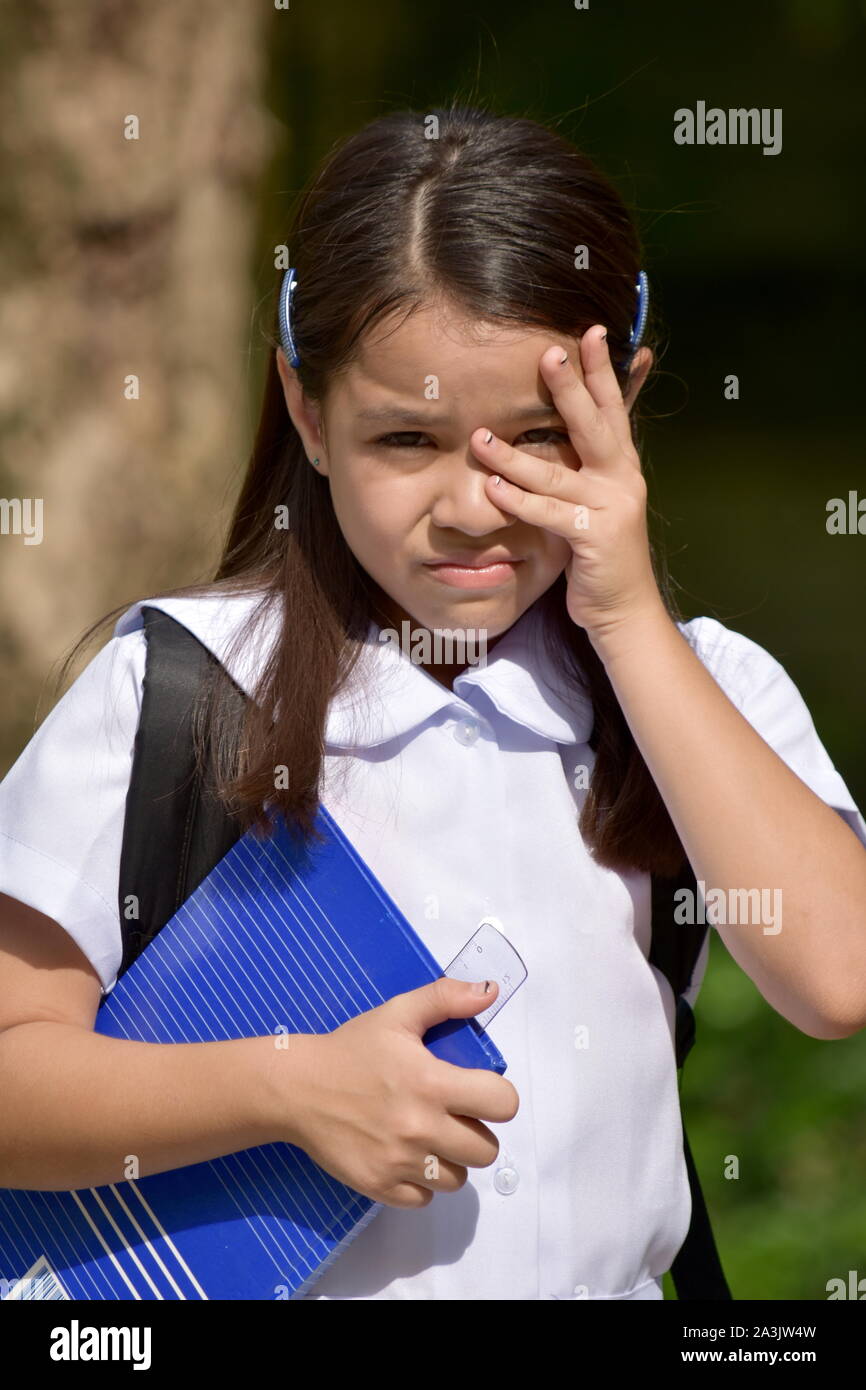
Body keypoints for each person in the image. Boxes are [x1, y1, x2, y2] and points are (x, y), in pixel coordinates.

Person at [1, 104, 865, 1302]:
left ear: (623, 397)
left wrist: (624, 624)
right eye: (405, 437)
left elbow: (836, 976)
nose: (471, 505)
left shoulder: (696, 685)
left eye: (533, 436)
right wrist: (284, 1088)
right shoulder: (181, 688)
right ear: (306, 412)